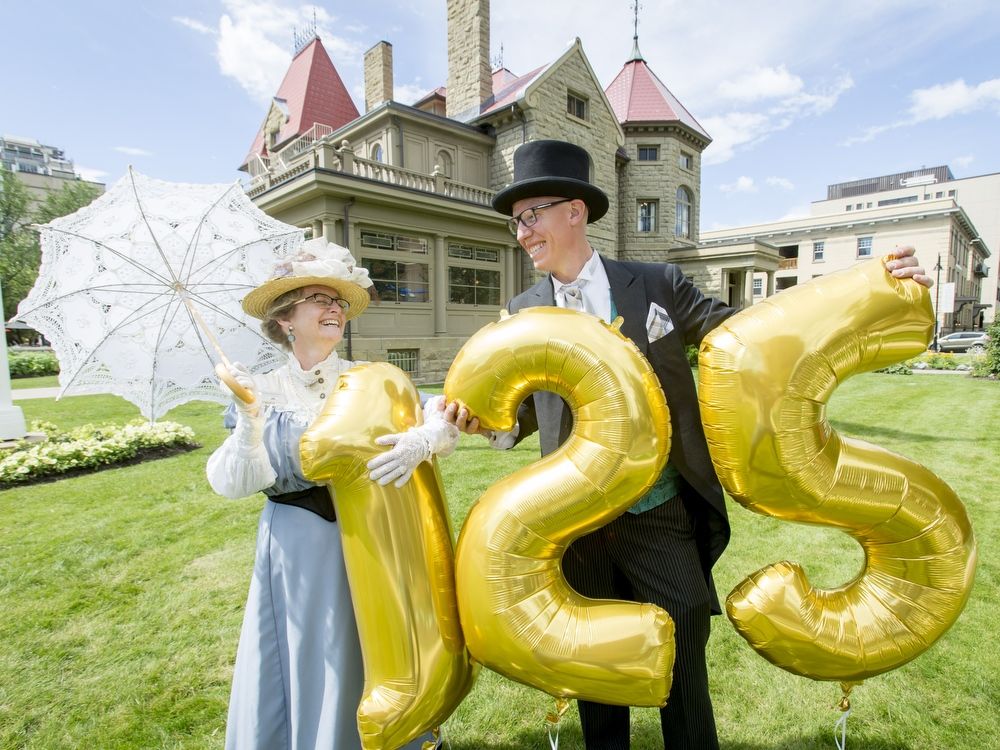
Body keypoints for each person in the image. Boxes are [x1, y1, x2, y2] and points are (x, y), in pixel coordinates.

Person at [446, 139, 932, 750]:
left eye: (531, 215)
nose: (522, 232)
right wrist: (478, 422)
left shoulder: (655, 284)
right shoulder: (520, 311)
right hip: (573, 525)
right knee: (597, 674)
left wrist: (872, 284)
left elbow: (751, 331)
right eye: (516, 220)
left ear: (575, 211)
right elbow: (518, 421)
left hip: (661, 510)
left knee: (683, 665)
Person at [206, 238, 456, 750]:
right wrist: (250, 419)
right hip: (297, 549)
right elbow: (234, 484)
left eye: (339, 301)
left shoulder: (366, 380)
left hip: (370, 541)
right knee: (311, 653)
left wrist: (424, 438)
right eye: (319, 299)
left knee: (375, 647)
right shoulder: (260, 389)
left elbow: (445, 412)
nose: (334, 309)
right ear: (284, 319)